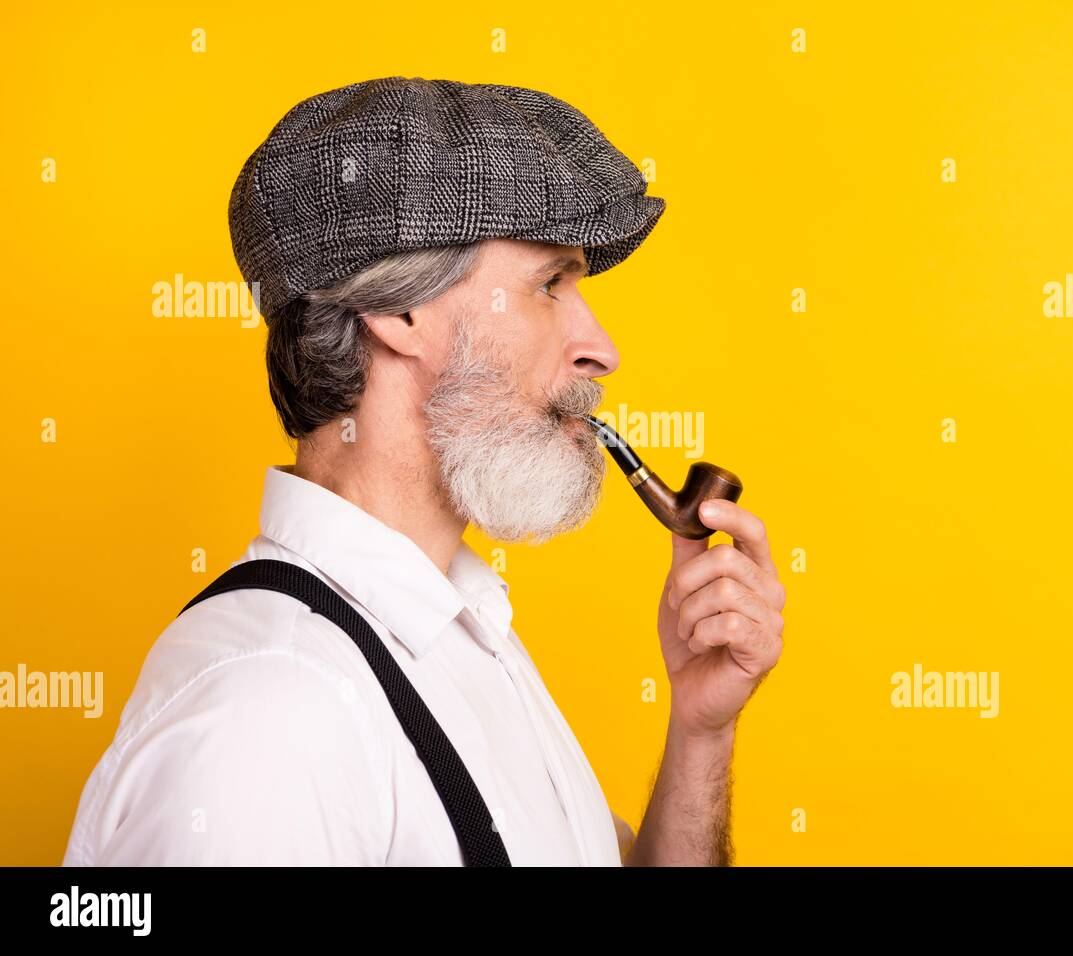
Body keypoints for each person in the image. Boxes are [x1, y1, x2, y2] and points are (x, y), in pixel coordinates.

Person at [62, 77, 785, 866]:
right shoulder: (272, 714)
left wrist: (700, 730)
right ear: (400, 313)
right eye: (550, 284)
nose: (601, 349)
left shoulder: (463, 636)